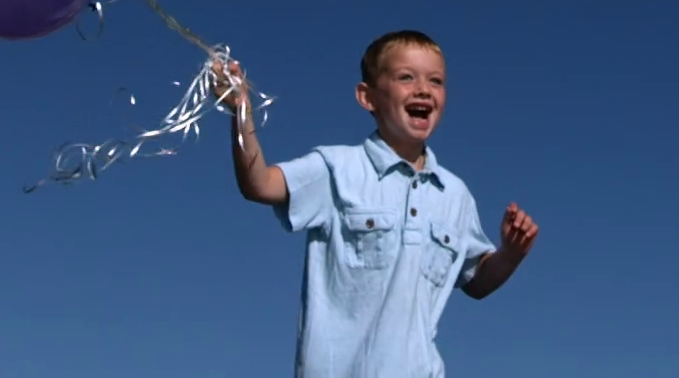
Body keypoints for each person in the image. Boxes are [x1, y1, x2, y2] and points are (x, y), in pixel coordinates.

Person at [212, 30, 539, 378]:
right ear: (367, 97)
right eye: (405, 77)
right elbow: (259, 184)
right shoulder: (336, 167)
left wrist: (511, 253)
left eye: (436, 80)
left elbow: (477, 282)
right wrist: (241, 111)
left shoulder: (455, 195)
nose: (423, 89)